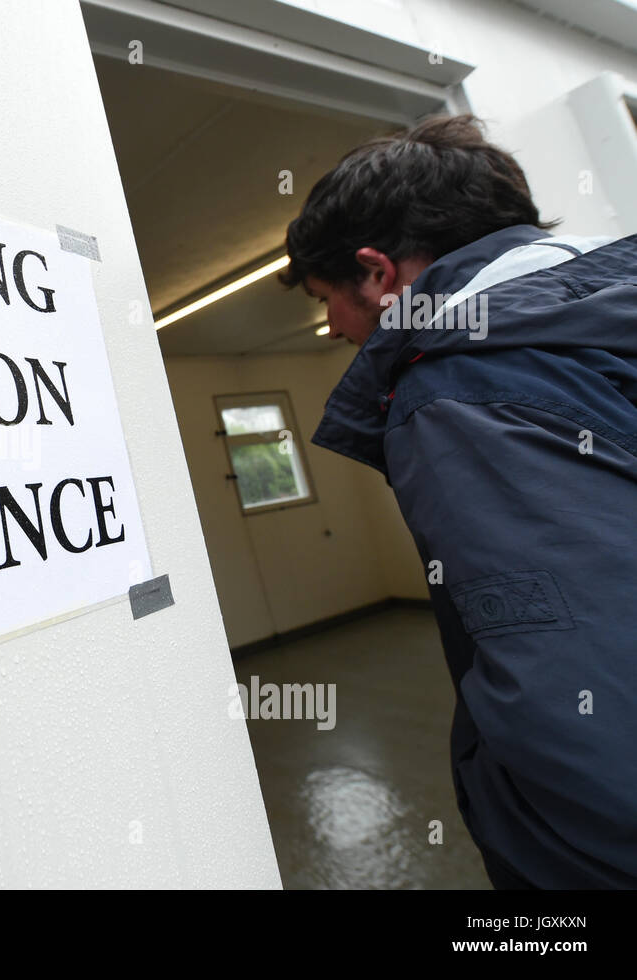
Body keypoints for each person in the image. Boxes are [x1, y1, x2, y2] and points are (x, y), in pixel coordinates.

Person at [281, 114, 637, 888]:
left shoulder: (463, 387)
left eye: (326, 300)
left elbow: (596, 712)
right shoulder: (602, 312)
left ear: (375, 272)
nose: (334, 327)